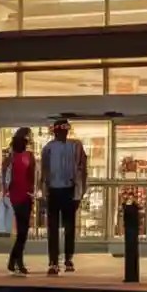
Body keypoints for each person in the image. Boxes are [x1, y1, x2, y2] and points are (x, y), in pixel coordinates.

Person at [41, 117, 87, 276]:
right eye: (61, 131)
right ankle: (53, 261)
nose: (63, 133)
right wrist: (44, 191)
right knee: (53, 228)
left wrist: (81, 191)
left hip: (69, 190)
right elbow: (44, 171)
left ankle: (68, 257)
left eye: (65, 131)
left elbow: (83, 168)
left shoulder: (75, 146)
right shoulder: (48, 148)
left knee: (69, 227)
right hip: (54, 190)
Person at [0, 127, 36, 276]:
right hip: (18, 195)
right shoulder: (14, 158)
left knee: (23, 231)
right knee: (22, 231)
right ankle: (15, 261)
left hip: (23, 195)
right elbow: (4, 177)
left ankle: (16, 260)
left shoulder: (20, 157)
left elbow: (31, 176)